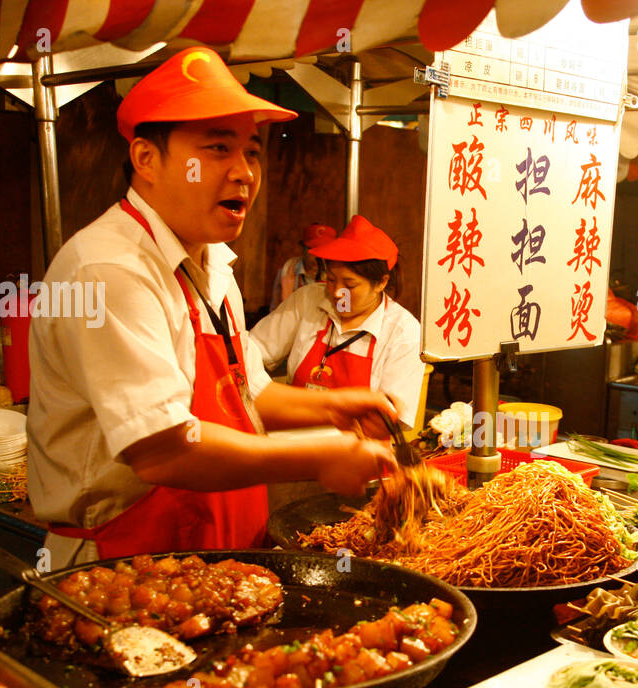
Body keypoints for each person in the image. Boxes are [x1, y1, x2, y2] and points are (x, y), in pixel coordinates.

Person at [27, 48, 397, 567]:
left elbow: (247, 391)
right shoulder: (109, 270)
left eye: (251, 152)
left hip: (214, 548)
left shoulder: (211, 262)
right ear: (146, 159)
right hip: (122, 561)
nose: (244, 172)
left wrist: (337, 409)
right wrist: (321, 456)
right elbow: (163, 450)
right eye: (218, 149)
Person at [250, 216, 426, 428]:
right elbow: (251, 351)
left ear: (381, 283)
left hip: (354, 452)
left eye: (350, 286)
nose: (336, 292)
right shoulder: (307, 300)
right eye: (331, 279)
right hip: (291, 439)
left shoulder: (403, 333)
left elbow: (389, 421)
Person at [270, 222, 335, 309]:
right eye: (312, 249)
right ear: (303, 249)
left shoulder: (336, 276)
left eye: (324, 250)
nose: (318, 256)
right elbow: (275, 311)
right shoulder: (287, 272)